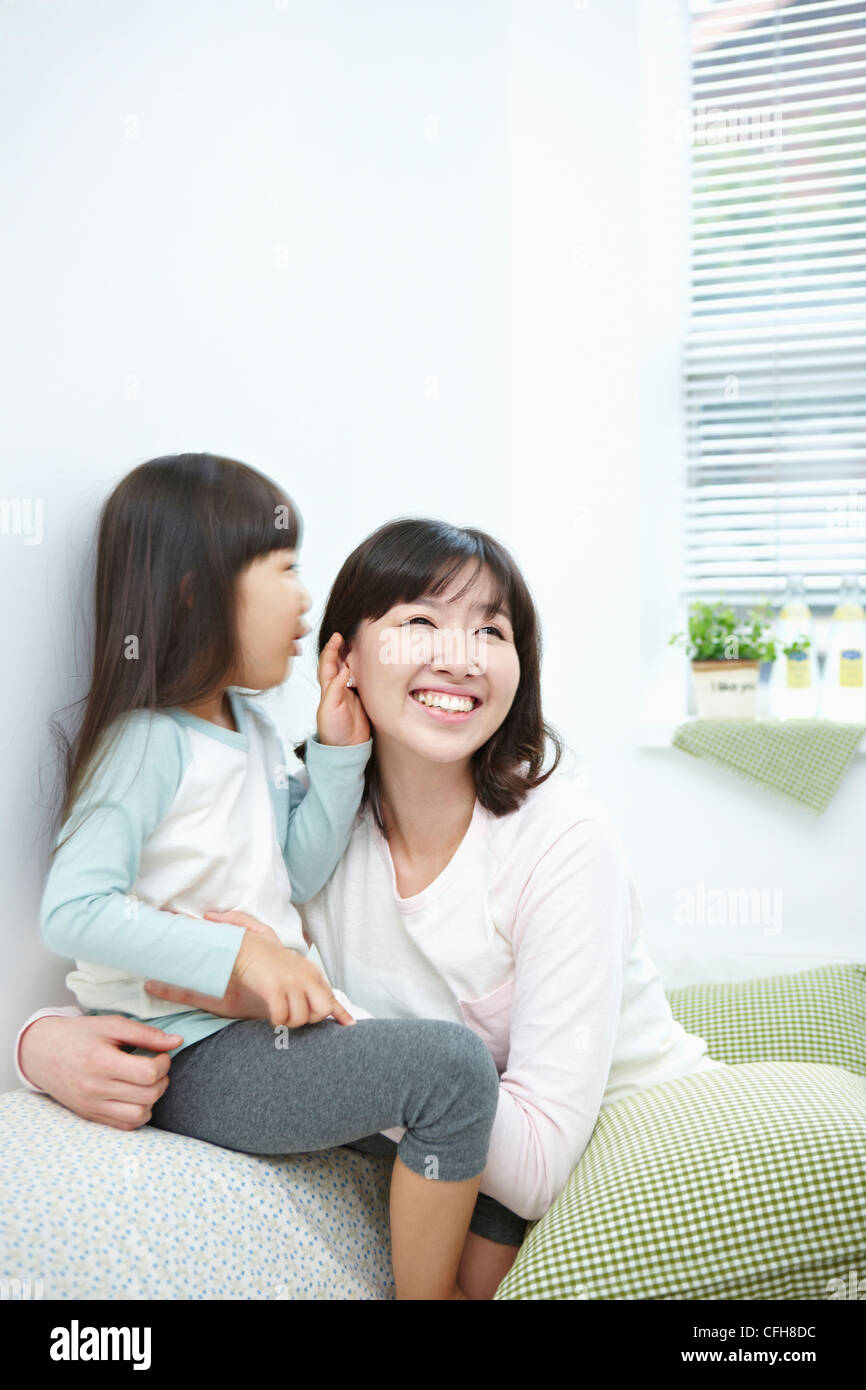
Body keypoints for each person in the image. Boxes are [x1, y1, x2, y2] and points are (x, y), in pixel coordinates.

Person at [17, 514, 727, 1301]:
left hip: (617, 1143)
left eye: (491, 631)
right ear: (343, 657)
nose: (459, 658)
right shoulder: (310, 828)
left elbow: (530, 1171)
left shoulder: (565, 841)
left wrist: (302, 999)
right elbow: (152, 928)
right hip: (470, 1150)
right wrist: (40, 1042)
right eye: (420, 622)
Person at [19, 456, 503, 1302]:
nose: (306, 600)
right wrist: (238, 960)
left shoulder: (248, 725)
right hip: (195, 1052)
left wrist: (340, 750)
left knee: (492, 1182)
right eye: (284, 569)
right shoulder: (147, 743)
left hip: (259, 1034)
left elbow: (299, 866)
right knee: (454, 1072)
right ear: (193, 594)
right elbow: (73, 911)